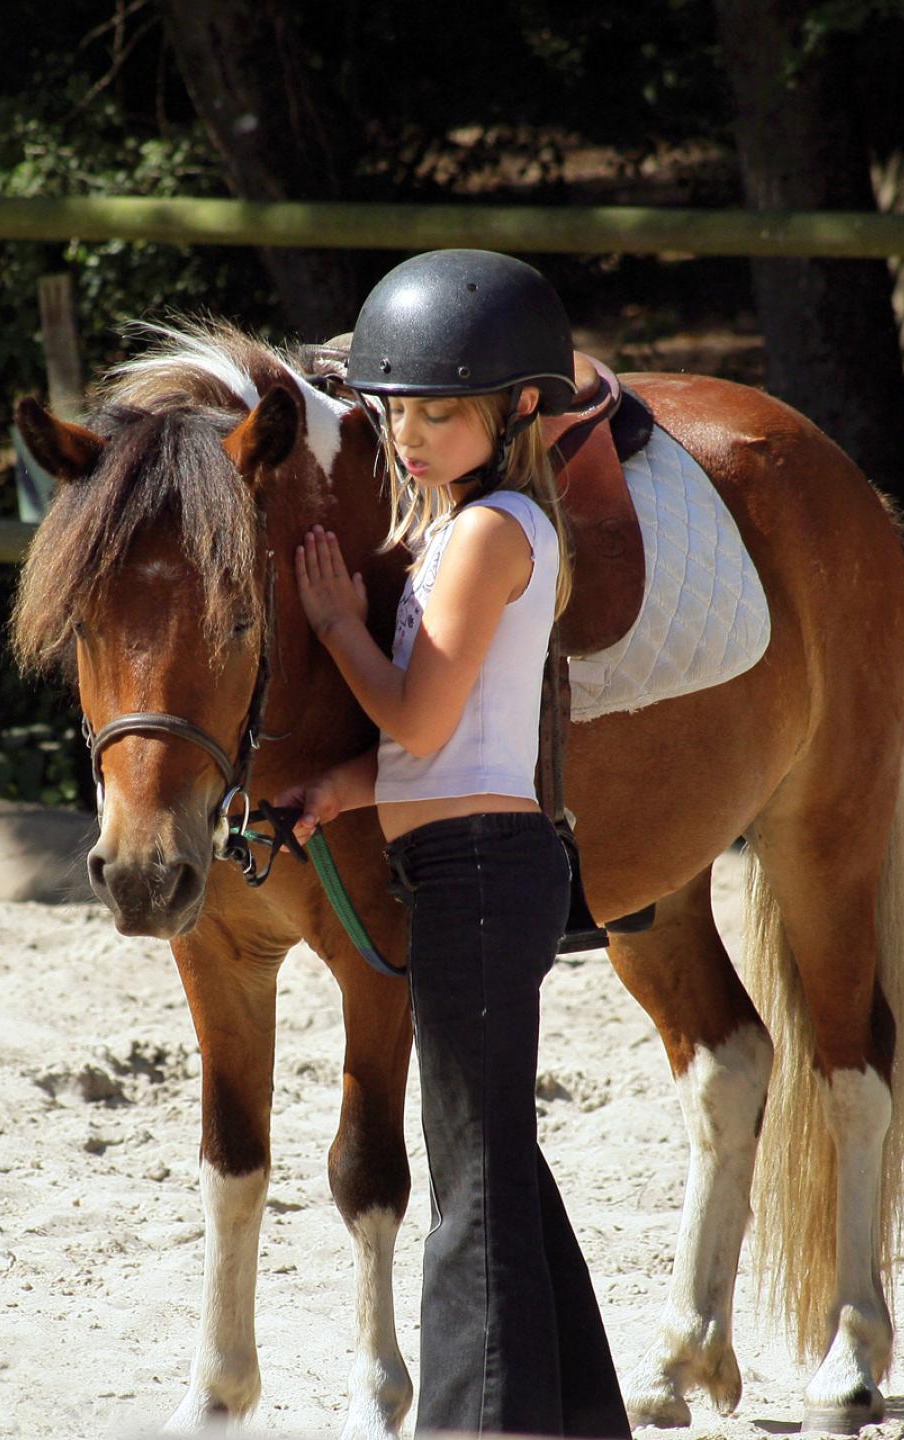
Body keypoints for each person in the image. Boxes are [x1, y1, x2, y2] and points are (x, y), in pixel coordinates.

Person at [278, 250, 631, 1438]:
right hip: (467, 855)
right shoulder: (467, 527)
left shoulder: (487, 535)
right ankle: (579, 1413)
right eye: (399, 412)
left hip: (482, 868)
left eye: (441, 412)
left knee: (470, 1172)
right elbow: (453, 737)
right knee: (497, 1156)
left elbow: (419, 715)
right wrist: (340, 785)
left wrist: (335, 628)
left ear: (516, 408)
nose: (413, 435)